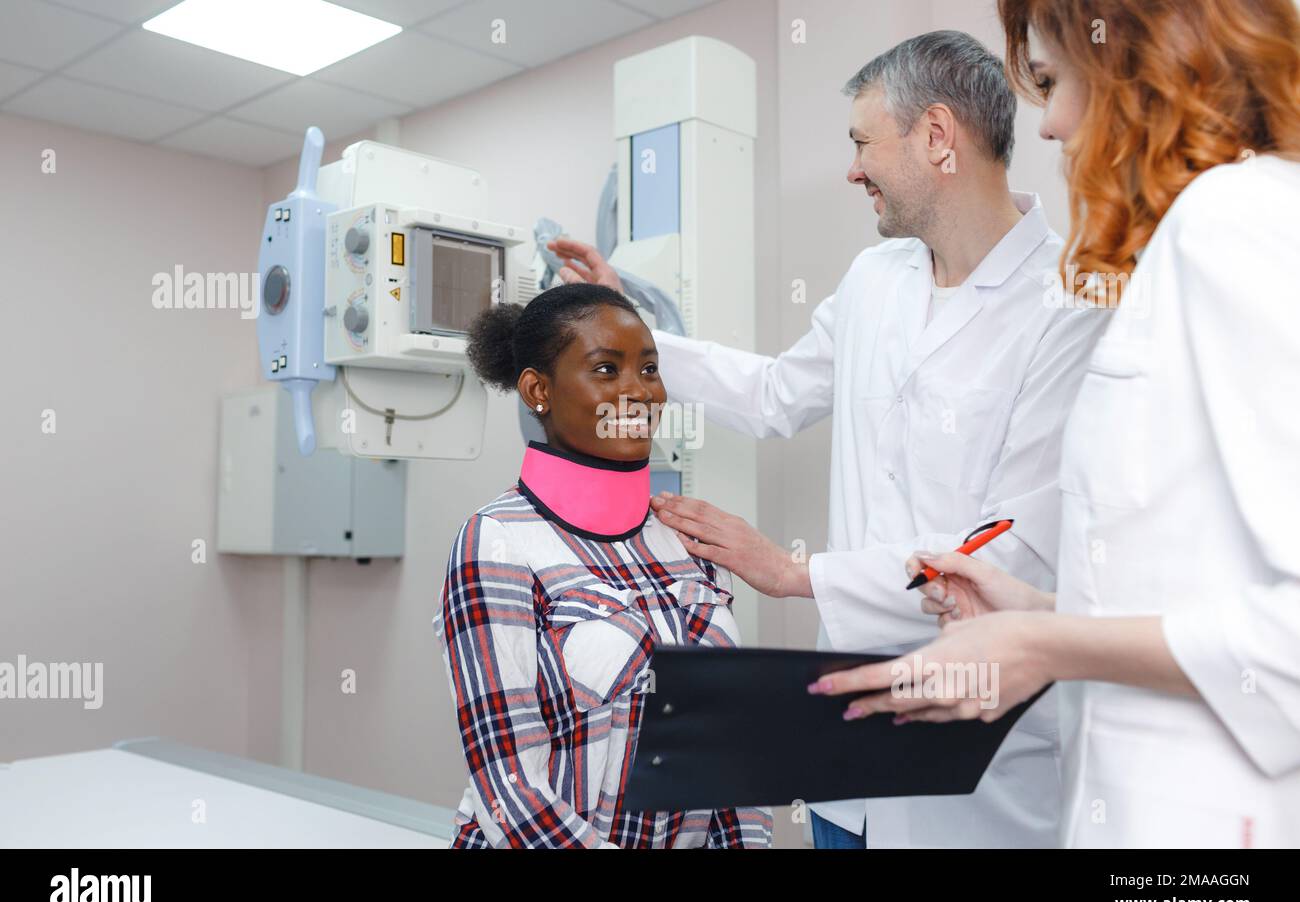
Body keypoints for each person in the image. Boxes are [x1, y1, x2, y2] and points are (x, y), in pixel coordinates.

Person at [551, 30, 1106, 849]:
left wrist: (797, 574)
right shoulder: (874, 280)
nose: (853, 169)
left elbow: (1004, 555)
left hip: (973, 771)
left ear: (937, 138)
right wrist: (630, 330)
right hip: (843, 763)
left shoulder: (1067, 302)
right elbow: (776, 393)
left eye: (861, 142)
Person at [814, 0, 1300, 848]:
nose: (1052, 123)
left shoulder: (1232, 223)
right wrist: (1039, 607)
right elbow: (1198, 582)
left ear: (1153, 59)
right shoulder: (1203, 232)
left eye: (1054, 81)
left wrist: (1044, 642)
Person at [435, 282, 771, 848]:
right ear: (538, 389)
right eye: (606, 369)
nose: (638, 392)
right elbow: (509, 789)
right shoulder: (496, 543)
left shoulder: (688, 539)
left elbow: (729, 751)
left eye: (649, 369)